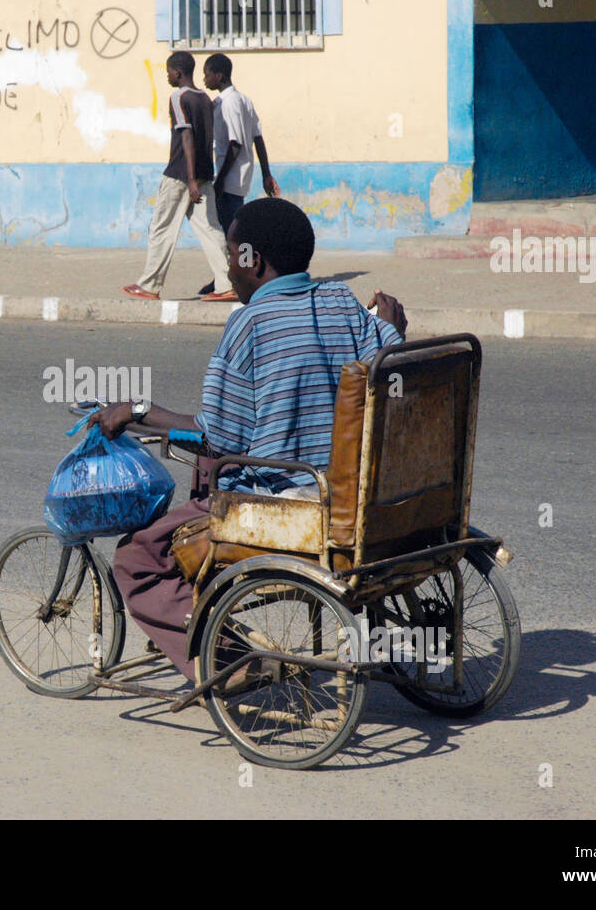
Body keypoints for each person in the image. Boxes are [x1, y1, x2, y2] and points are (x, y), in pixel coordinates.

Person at [94, 197, 407, 682]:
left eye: (231, 253)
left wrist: (139, 411)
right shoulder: (342, 302)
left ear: (252, 260)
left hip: (286, 501)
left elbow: (216, 436)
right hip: (356, 494)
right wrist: (390, 326)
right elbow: (386, 362)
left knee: (138, 556)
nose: (227, 266)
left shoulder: (249, 325)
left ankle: (227, 660)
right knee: (207, 479)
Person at [121, 51, 236, 303]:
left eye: (169, 72)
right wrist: (199, 178)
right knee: (210, 229)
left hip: (181, 175)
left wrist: (190, 178)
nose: (168, 77)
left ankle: (150, 285)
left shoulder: (179, 97)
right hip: (204, 175)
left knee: (162, 227)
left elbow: (187, 136)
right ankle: (227, 283)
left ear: (178, 72)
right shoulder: (205, 98)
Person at [199, 53, 280, 295]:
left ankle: (239, 280)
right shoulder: (243, 100)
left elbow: (236, 144)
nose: (204, 79)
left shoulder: (231, 103)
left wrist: (220, 180)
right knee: (233, 232)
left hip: (231, 180)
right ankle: (227, 277)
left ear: (219, 75)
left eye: (207, 74)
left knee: (230, 234)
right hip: (239, 178)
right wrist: (266, 173)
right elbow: (258, 138)